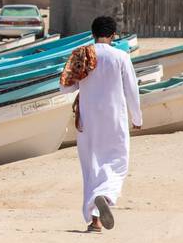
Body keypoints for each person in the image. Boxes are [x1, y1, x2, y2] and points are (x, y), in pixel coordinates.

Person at [60, 16, 143, 231]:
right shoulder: (121, 56)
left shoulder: (83, 55)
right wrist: (137, 118)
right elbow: (132, 90)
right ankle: (104, 196)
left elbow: (65, 88)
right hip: (115, 118)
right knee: (117, 161)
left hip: (88, 119)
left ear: (92, 33)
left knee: (91, 166)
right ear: (114, 35)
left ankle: (94, 220)